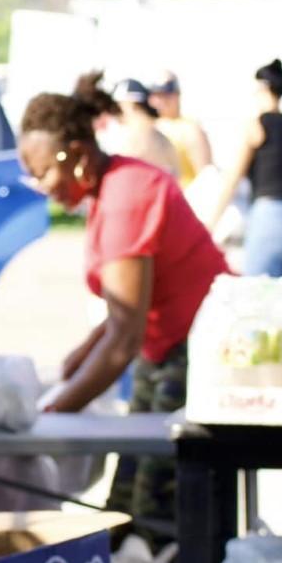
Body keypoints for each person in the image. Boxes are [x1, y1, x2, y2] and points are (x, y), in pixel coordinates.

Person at [18, 73, 229, 535]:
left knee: (158, 509)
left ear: (73, 156)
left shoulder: (125, 198)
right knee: (126, 501)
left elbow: (124, 338)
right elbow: (127, 306)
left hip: (196, 351)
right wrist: (75, 363)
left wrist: (53, 416)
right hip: (167, 347)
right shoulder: (112, 188)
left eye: (41, 173)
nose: (41, 187)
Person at [208, 59, 282, 276]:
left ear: (261, 88)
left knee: (258, 296)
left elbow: (232, 178)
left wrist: (210, 225)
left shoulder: (256, 126)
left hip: (270, 215)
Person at [103, 77, 181, 178]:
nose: (114, 114)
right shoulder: (162, 136)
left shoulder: (129, 137)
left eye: (116, 107)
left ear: (130, 105)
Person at [147, 70, 213, 188]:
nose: (160, 100)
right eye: (156, 94)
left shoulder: (190, 129)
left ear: (177, 94)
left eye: (166, 93)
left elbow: (206, 178)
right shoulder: (149, 127)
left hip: (184, 198)